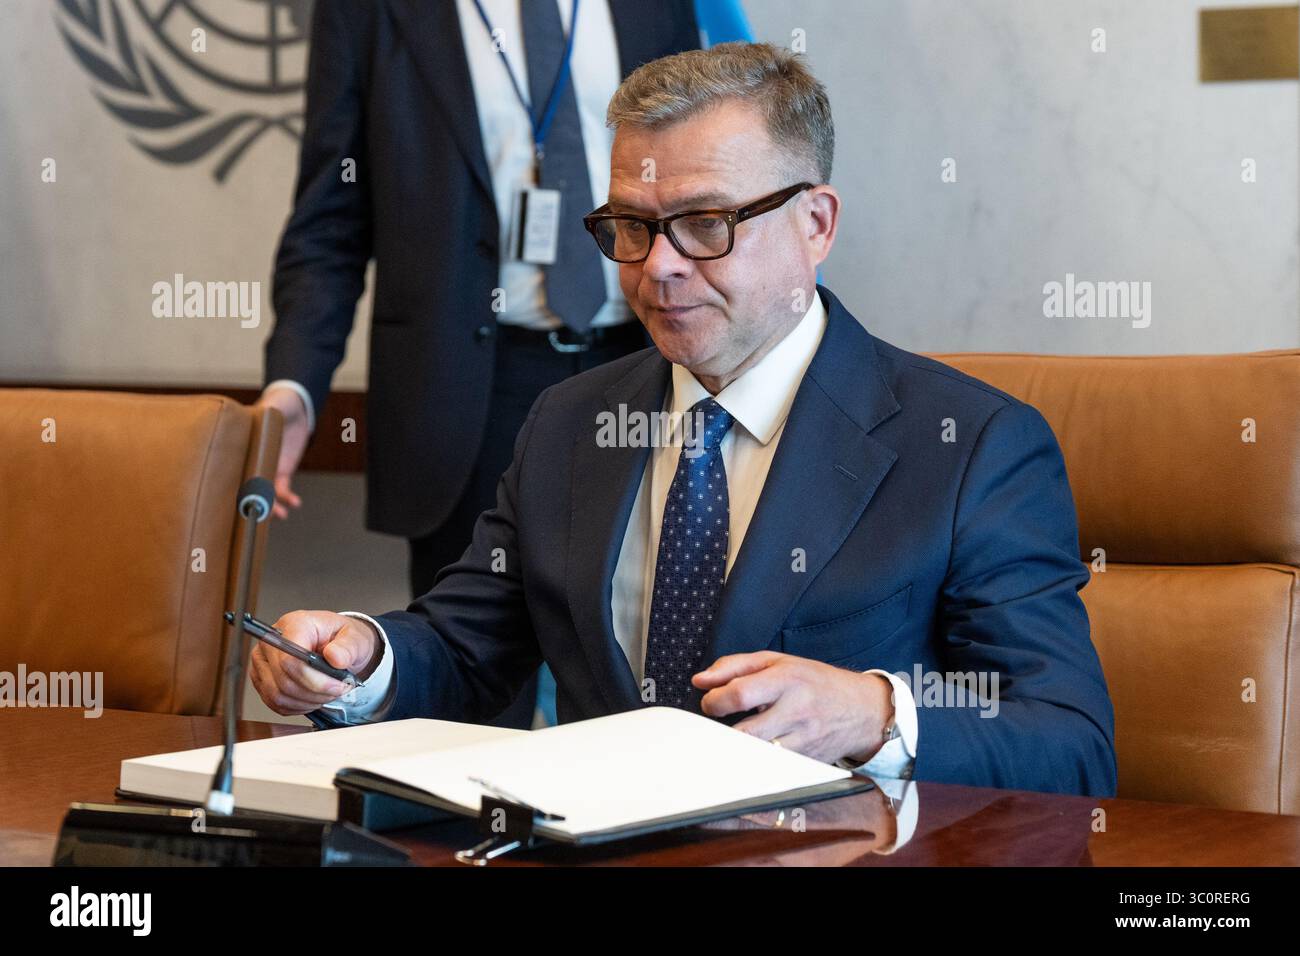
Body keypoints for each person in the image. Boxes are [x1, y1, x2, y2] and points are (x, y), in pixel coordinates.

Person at [251, 42, 1117, 795]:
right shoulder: (571, 421)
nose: (657, 268)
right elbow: (467, 650)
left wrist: (875, 714)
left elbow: (1070, 745)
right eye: (632, 225)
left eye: (705, 223)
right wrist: (359, 659)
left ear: (816, 224)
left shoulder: (970, 447)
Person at [257, 0, 705, 728]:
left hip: (644, 365)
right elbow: (330, 223)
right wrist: (296, 390)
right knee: (466, 708)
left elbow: (702, 162)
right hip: (470, 385)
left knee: (645, 683)